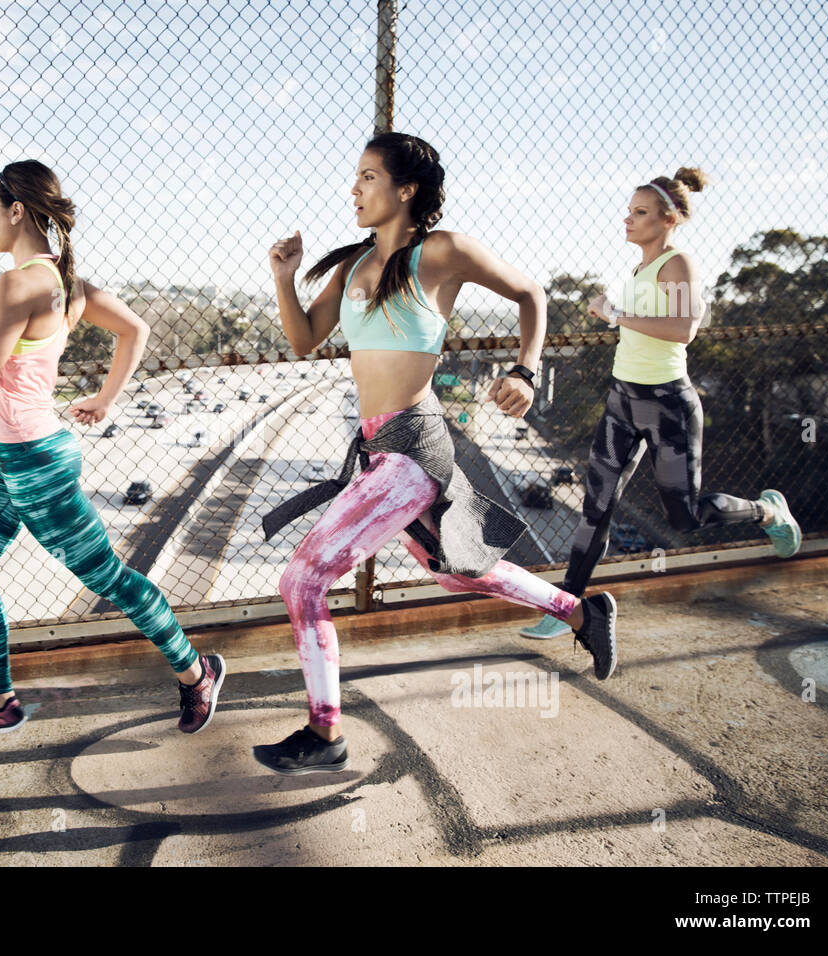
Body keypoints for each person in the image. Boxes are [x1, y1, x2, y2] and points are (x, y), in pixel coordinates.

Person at [254, 132, 618, 776]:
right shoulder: (353, 265)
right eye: (356, 177)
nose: (355, 189)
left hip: (414, 446)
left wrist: (526, 372)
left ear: (405, 189)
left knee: (302, 579)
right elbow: (305, 337)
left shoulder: (442, 252)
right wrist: (283, 279)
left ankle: (325, 732)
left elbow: (531, 294)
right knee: (456, 573)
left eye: (368, 177)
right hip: (375, 449)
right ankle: (580, 610)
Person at [0, 160, 225, 744]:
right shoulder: (63, 281)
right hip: (9, 456)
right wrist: (107, 398)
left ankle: (197, 673)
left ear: (17, 211)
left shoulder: (19, 284)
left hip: (36, 462)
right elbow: (135, 331)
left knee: (110, 579)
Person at [519, 167, 801, 642]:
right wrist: (616, 314)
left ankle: (767, 511)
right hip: (623, 400)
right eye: (629, 211)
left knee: (683, 517)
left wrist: (615, 314)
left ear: (668, 219)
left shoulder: (678, 262)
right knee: (596, 507)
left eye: (640, 212)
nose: (627, 219)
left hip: (668, 404)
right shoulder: (640, 267)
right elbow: (642, 326)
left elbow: (682, 330)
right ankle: (566, 608)